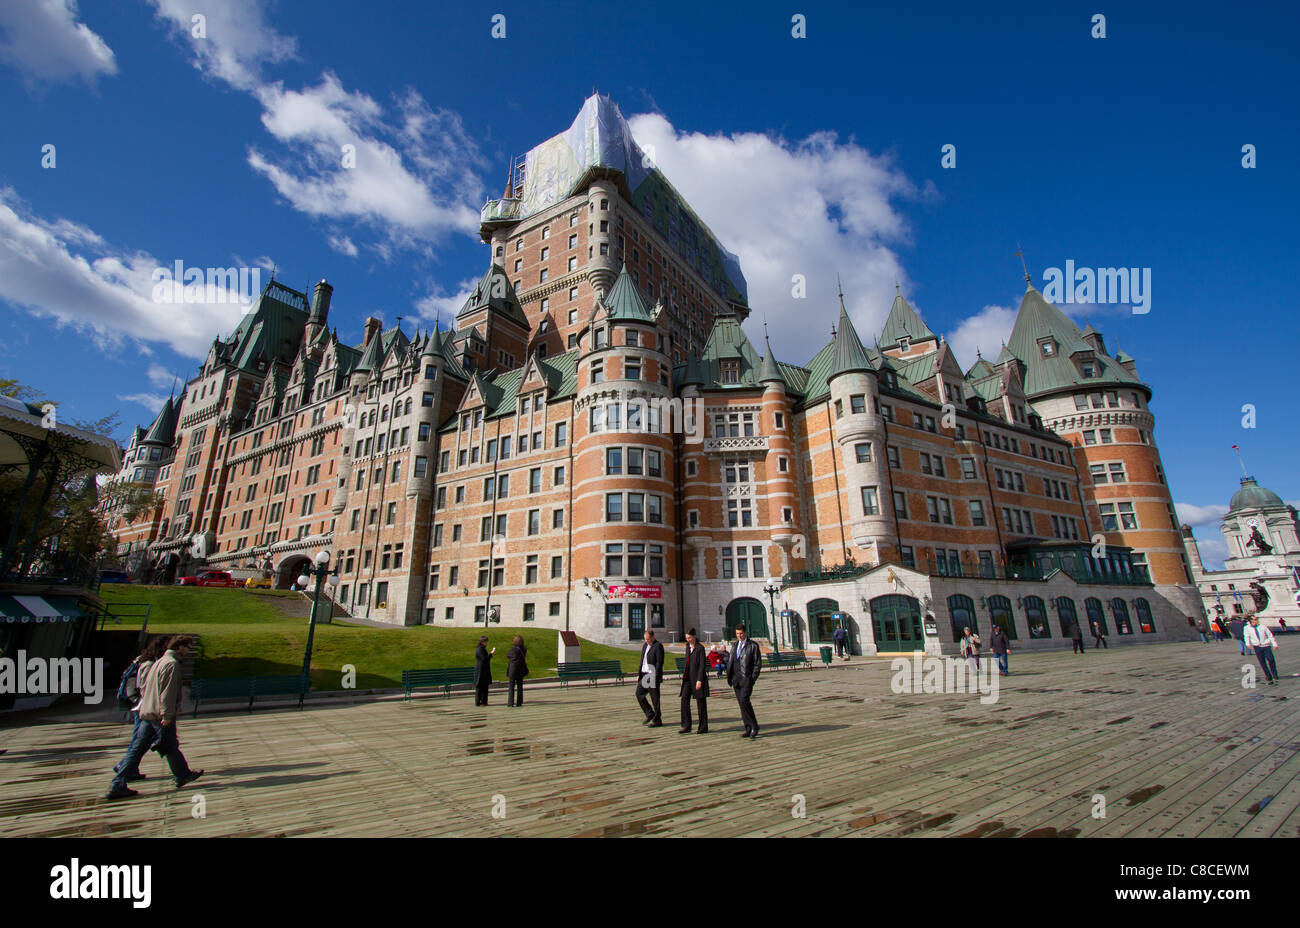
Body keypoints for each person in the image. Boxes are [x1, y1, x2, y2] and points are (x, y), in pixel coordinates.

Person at [105, 636, 203, 800]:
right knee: (169, 744)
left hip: (148, 712)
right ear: (180, 647)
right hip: (159, 713)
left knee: (138, 749)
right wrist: (167, 714)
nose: (189, 651)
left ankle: (118, 783)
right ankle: (182, 775)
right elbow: (167, 693)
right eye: (188, 647)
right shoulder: (171, 664)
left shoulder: (158, 662)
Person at [112, 637, 168, 781]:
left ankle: (129, 767)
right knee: (141, 740)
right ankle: (124, 767)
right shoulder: (149, 663)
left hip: (143, 705)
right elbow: (145, 686)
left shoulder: (144, 660)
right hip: (143, 706)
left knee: (142, 739)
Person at [727, 625, 762, 738]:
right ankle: (748, 727)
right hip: (736, 679)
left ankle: (754, 726)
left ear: (745, 633)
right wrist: (730, 676)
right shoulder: (735, 645)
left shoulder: (752, 646)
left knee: (744, 701)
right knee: (741, 704)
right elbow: (732, 660)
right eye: (737, 634)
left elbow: (757, 664)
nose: (739, 636)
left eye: (741, 633)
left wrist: (752, 678)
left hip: (746, 679)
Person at [678, 628, 709, 734]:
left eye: (689, 638)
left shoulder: (700, 648)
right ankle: (686, 725)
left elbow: (702, 665)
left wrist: (700, 680)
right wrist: (683, 677)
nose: (688, 640)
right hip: (688, 679)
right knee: (684, 700)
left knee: (701, 703)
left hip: (697, 678)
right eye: (686, 638)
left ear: (694, 637)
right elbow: (687, 663)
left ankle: (703, 727)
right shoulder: (688, 647)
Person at [635, 630, 665, 727]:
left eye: (648, 639)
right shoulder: (645, 645)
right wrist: (639, 673)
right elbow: (642, 660)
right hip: (645, 674)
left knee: (655, 698)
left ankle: (657, 720)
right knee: (639, 693)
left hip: (652, 674)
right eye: (645, 639)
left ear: (653, 637)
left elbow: (659, 662)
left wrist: (655, 675)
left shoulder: (658, 646)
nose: (646, 641)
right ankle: (649, 713)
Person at [1244, 616, 1280, 685]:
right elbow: (1246, 636)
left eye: (1256, 619)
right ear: (1250, 621)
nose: (1256, 621)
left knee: (1271, 659)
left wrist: (1274, 644)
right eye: (1254, 620)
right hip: (1257, 646)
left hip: (1266, 645)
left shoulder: (1262, 626)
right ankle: (1268, 675)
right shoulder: (1247, 628)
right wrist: (1248, 644)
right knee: (1262, 661)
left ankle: (1274, 674)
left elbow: (1270, 635)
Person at [505, 634, 528, 707]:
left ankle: (510, 702)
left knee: (511, 686)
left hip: (513, 669)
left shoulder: (513, 649)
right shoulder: (523, 649)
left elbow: (508, 655)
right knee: (520, 686)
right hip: (520, 669)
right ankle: (519, 702)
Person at [474, 636, 495, 706]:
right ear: (482, 642)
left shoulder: (482, 649)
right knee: (480, 687)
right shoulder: (479, 649)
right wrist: (491, 654)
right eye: (485, 641)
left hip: (484, 670)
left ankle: (484, 701)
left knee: (485, 687)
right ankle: (478, 702)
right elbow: (484, 659)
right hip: (481, 671)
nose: (486, 643)